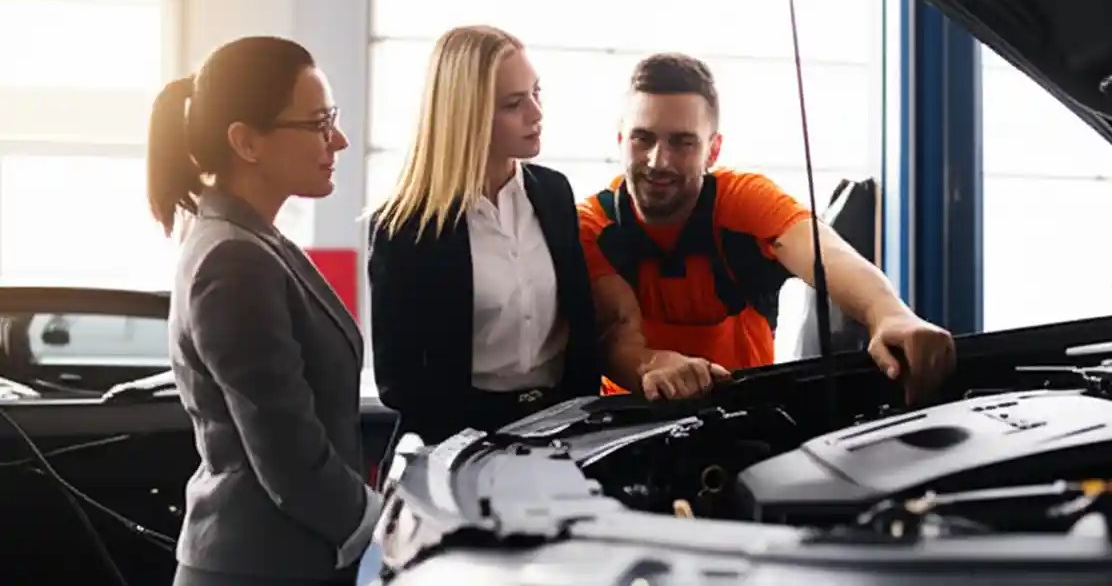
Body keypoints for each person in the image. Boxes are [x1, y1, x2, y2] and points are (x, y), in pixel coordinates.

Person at [578, 53, 957, 403]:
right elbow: (615, 331)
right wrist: (652, 365)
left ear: (713, 150)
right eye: (642, 138)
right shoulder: (591, 225)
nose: (658, 161)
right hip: (627, 430)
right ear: (619, 140)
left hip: (747, 423)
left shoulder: (741, 199)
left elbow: (824, 251)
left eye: (682, 142)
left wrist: (888, 312)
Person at [147, 36, 379, 586]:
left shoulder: (251, 240)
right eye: (319, 123)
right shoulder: (233, 259)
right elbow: (288, 456)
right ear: (246, 142)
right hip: (259, 564)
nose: (339, 140)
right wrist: (387, 523)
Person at [366, 25, 602, 452]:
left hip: (562, 431)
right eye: (514, 103)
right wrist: (478, 442)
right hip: (460, 442)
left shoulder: (553, 193)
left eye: (536, 93)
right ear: (466, 115)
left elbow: (581, 331)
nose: (536, 113)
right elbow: (398, 381)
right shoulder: (404, 226)